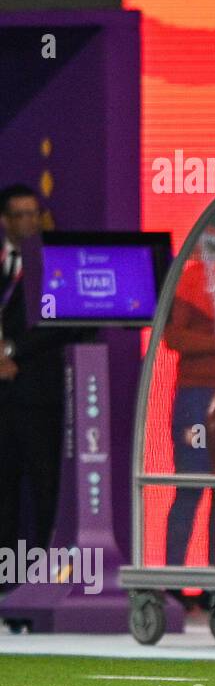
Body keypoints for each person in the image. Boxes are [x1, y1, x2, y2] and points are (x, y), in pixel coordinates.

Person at [0, 184, 74, 567]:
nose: (29, 222)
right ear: (5, 220)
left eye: (34, 214)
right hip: (3, 399)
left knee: (46, 488)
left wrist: (12, 351)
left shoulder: (53, 261)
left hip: (38, 394)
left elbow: (62, 323)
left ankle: (44, 575)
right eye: (21, 215)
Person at [161, 260, 215, 564]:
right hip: (196, 397)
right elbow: (172, 336)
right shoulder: (191, 280)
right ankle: (174, 580)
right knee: (191, 484)